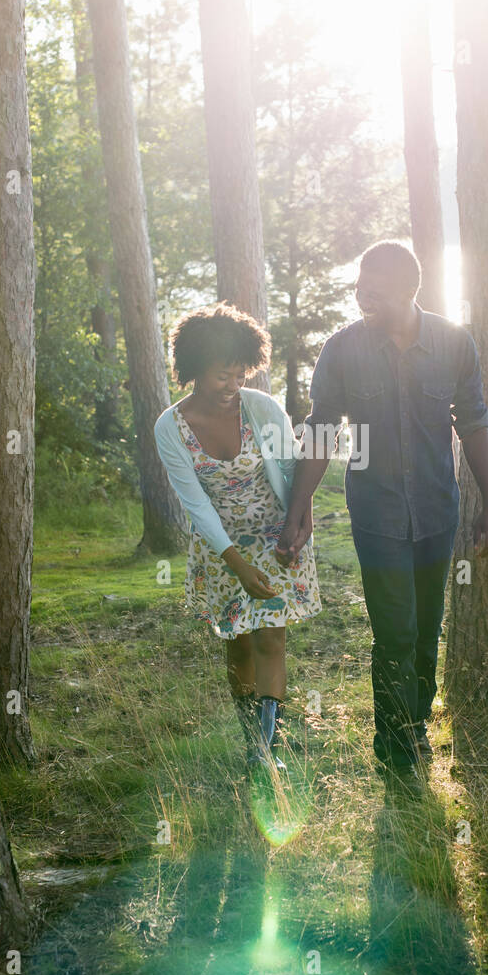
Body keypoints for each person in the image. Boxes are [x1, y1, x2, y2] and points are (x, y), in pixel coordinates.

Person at [276, 240, 488, 789]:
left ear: (408, 288)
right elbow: (323, 429)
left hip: (436, 511)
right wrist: (297, 509)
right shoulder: (343, 350)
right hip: (376, 515)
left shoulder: (453, 344)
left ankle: (415, 728)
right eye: (358, 283)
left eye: (373, 284)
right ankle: (396, 749)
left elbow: (473, 422)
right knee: (395, 634)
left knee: (427, 633)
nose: (361, 293)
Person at [154, 302, 321, 771]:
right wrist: (236, 564)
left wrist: (297, 526)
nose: (232, 386)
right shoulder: (171, 428)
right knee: (239, 642)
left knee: (271, 640)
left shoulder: (263, 408)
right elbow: (195, 504)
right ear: (193, 370)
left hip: (275, 538)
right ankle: (252, 736)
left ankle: (265, 752)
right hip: (221, 546)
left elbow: (292, 474)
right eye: (221, 376)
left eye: (239, 374)